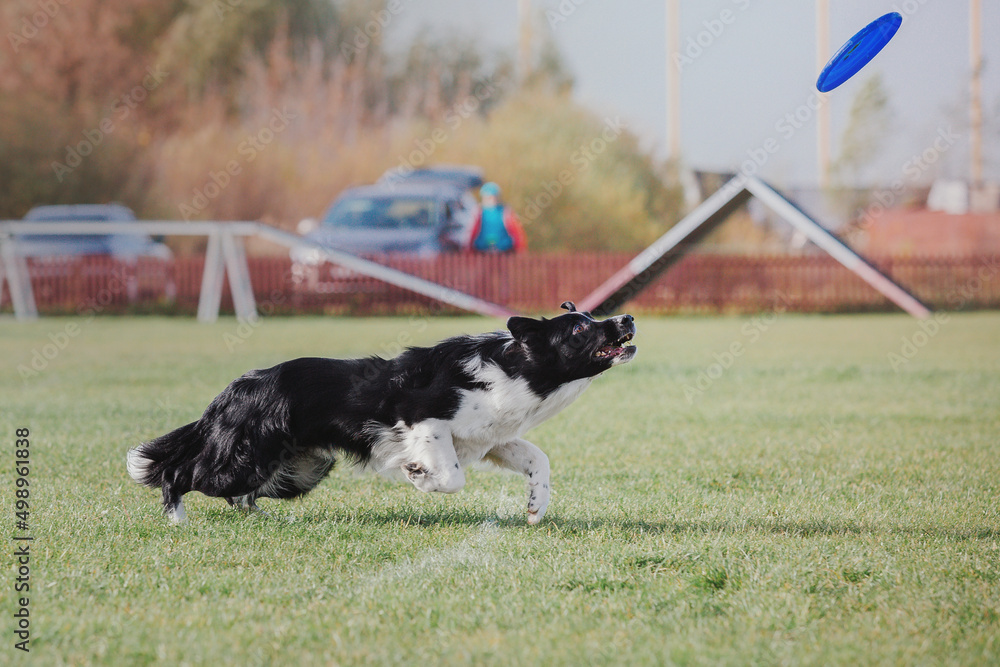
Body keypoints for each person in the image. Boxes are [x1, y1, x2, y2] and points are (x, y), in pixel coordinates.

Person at [469, 182, 527, 252]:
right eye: (487, 198)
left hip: (504, 251)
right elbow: (472, 232)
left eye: (492, 197)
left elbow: (516, 232)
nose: (490, 200)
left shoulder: (505, 212)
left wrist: (520, 249)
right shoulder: (478, 212)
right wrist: (469, 250)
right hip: (482, 251)